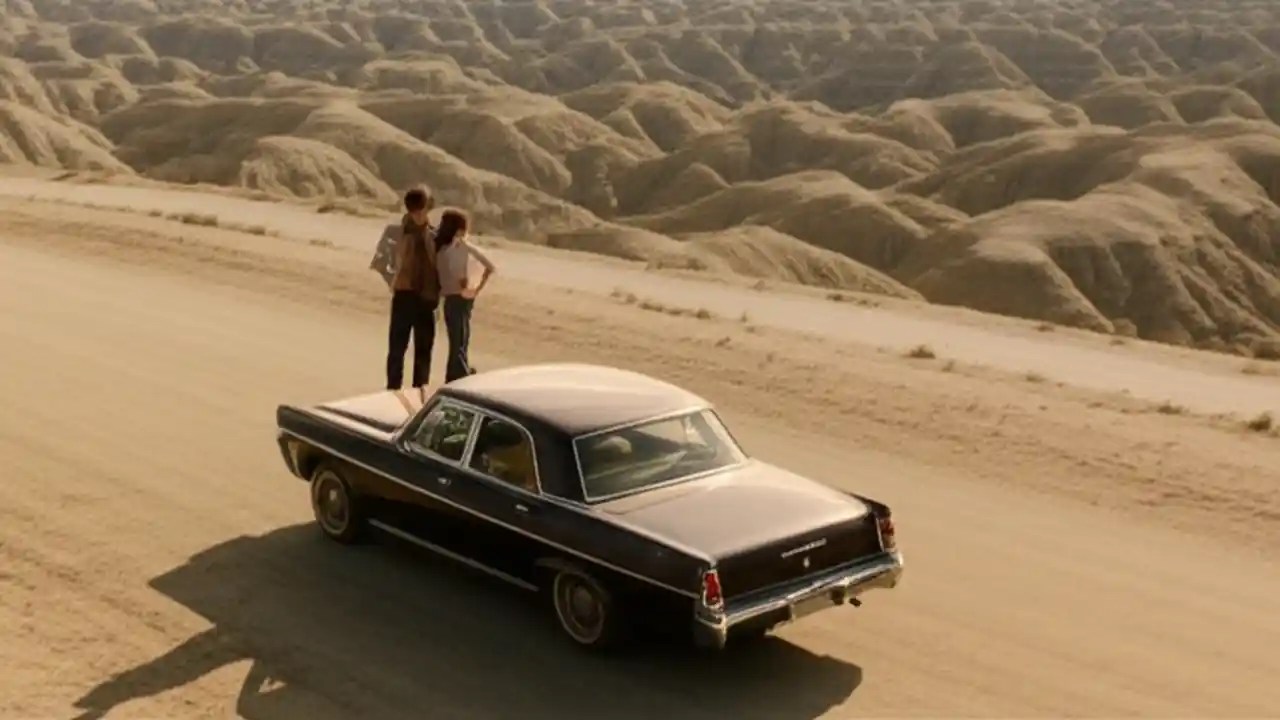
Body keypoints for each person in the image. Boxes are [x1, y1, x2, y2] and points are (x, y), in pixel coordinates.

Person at [384, 186, 440, 389]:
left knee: (423, 350)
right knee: (397, 348)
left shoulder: (434, 236)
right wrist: (396, 280)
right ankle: (392, 390)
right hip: (404, 295)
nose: (420, 214)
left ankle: (419, 392)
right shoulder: (396, 233)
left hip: (427, 298)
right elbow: (384, 262)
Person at [434, 209, 495, 382]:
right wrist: (476, 288)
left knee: (459, 340)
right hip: (458, 298)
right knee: (460, 341)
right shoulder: (456, 250)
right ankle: (459, 375)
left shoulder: (442, 248)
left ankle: (457, 374)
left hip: (452, 298)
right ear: (460, 231)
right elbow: (489, 265)